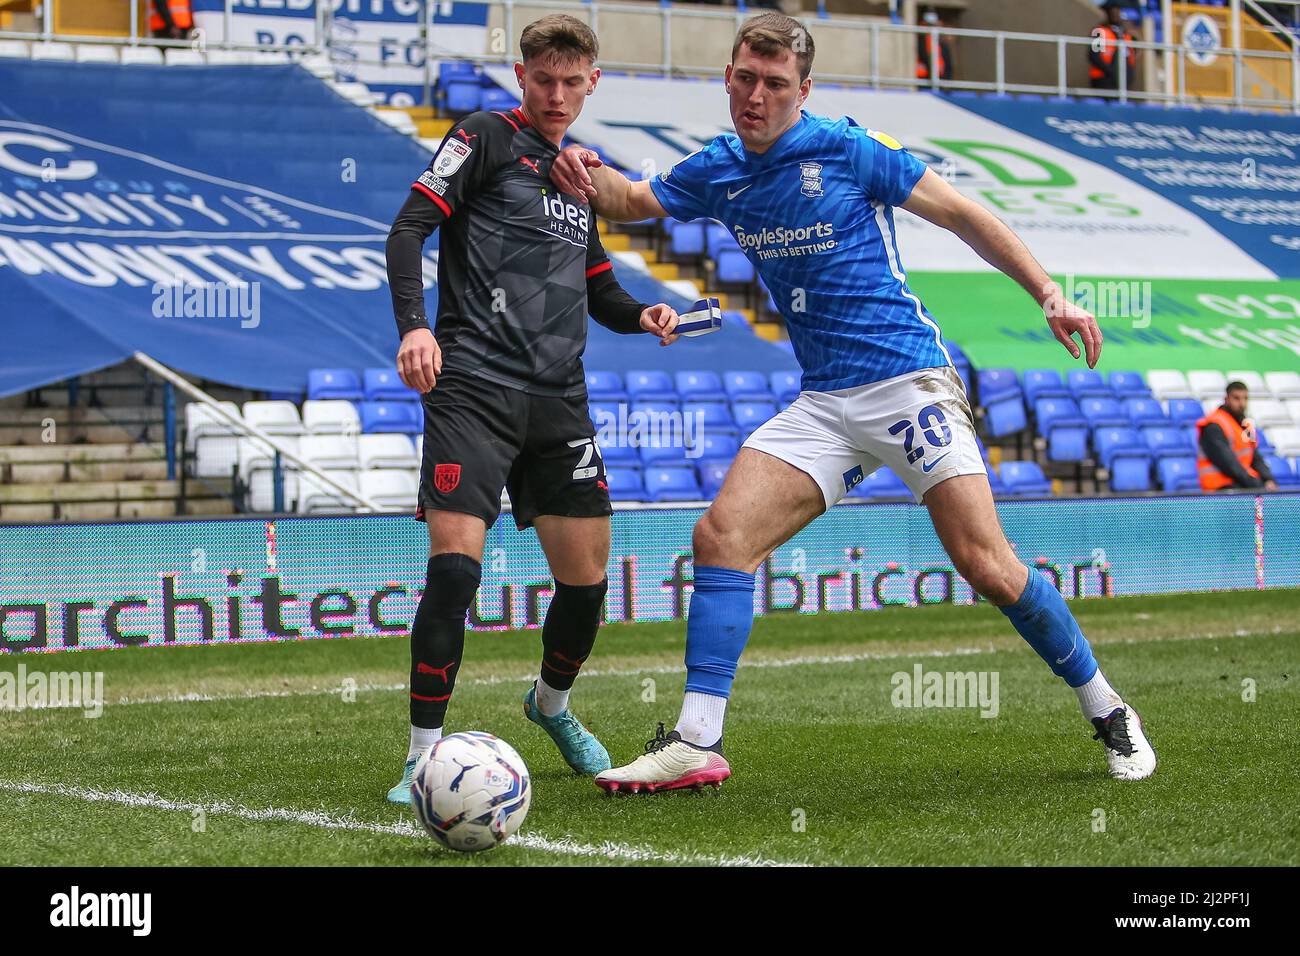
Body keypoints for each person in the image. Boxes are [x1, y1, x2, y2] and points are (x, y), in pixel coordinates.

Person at [550, 11, 1157, 792]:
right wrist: (572, 165)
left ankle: (1109, 711)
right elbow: (633, 198)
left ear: (804, 90)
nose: (755, 96)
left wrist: (1048, 293)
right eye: (744, 79)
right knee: (722, 536)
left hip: (908, 381)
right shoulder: (720, 166)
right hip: (826, 400)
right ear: (727, 79)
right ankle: (698, 741)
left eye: (774, 84)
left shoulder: (846, 147)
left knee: (987, 566)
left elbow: (964, 213)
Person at [382, 14, 681, 804]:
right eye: (541, 80)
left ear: (592, 83)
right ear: (522, 77)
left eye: (570, 82)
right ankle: (422, 757)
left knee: (585, 588)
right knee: (454, 574)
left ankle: (550, 706)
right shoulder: (482, 137)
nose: (555, 94)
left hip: (560, 401)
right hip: (472, 389)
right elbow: (409, 228)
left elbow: (600, 290)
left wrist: (642, 313)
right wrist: (416, 326)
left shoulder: (580, 174)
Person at [1197, 382, 1278, 492]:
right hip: (1220, 490)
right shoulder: (1214, 425)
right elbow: (1228, 464)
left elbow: (1255, 457)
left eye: (1245, 398)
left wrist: (1268, 479)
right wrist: (1257, 485)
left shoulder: (1245, 424)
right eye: (1236, 398)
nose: (1242, 403)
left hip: (1242, 486)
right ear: (1226, 399)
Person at [1089, 0, 1137, 93]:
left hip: (1123, 82)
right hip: (1103, 80)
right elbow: (1094, 56)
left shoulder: (1125, 35)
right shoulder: (1099, 31)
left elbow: (1130, 58)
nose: (1116, 14)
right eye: (1112, 11)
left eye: (1118, 11)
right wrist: (1111, 72)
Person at [916, 9, 954, 85]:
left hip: (940, 82)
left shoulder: (943, 45)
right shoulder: (917, 43)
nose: (931, 29)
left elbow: (948, 67)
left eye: (933, 25)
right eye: (928, 25)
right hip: (921, 83)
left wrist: (947, 85)